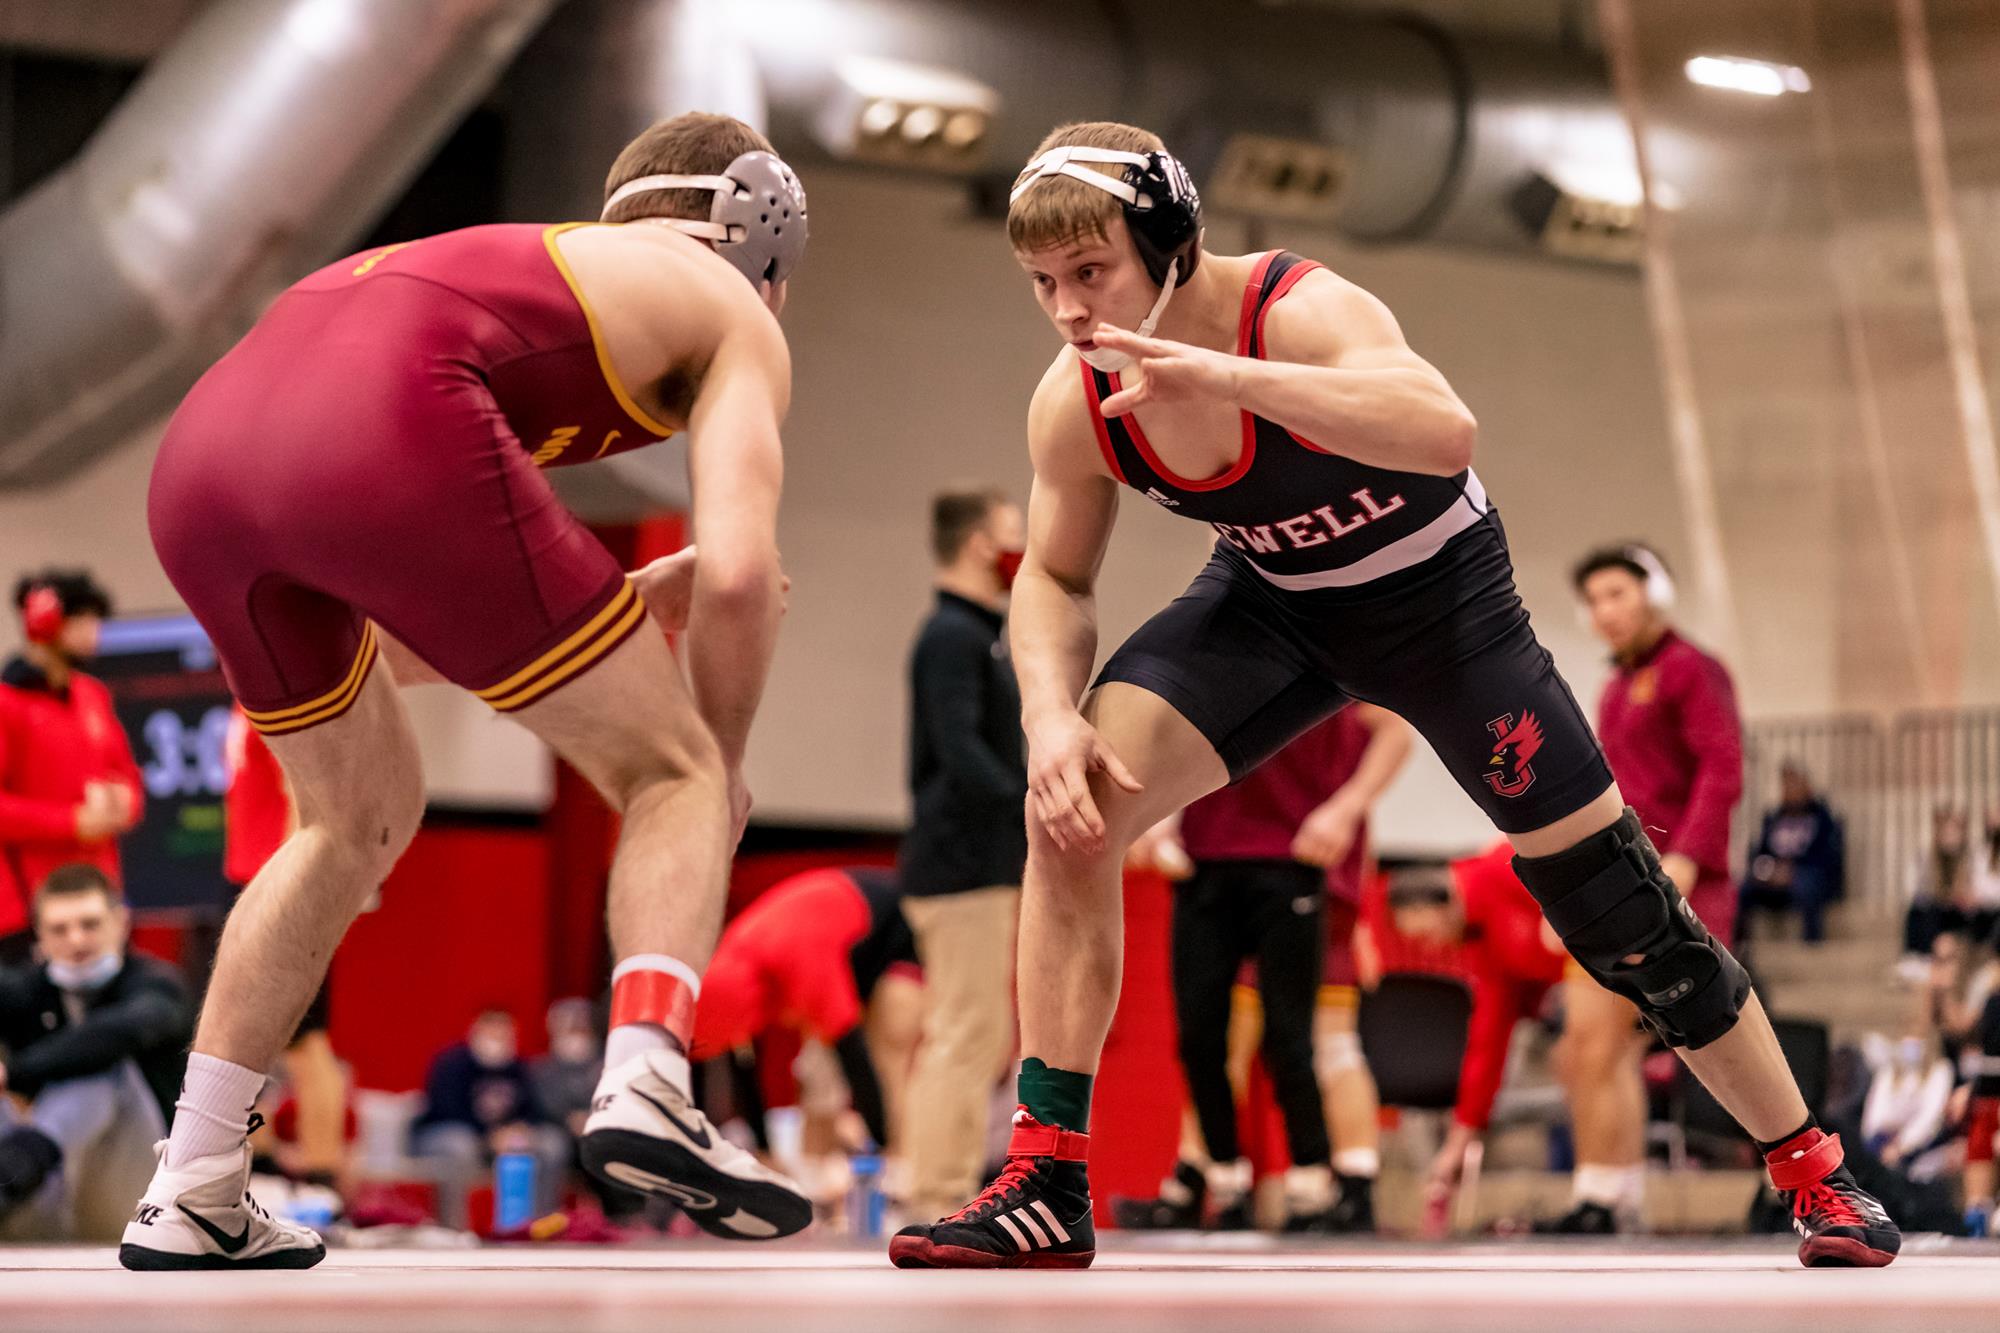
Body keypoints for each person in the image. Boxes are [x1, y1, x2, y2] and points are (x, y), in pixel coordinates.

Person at [888, 121, 1899, 1270]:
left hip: (1445, 618)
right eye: (1041, 284)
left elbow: (1443, 430)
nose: (1070, 311)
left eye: (1091, 273)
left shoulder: (1302, 312)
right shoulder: (1072, 400)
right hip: (1270, 608)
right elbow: (1057, 580)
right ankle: (1044, 1177)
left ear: (1170, 245)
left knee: (1618, 912)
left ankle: (1814, 1172)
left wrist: (1226, 376)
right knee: (1069, 811)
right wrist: (1045, 716)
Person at [122, 111, 811, 1270]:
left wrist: (622, 609)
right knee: (672, 771)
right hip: (396, 421)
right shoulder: (729, 306)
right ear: (763, 237)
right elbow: (742, 573)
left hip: (198, 463)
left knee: (354, 814)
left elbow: (402, 642)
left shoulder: (538, 263)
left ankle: (192, 1181)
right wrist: (720, 766)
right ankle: (648, 1077)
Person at [1116, 705, 1410, 1232]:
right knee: (1210, 1039)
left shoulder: (1331, 650)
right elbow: (1170, 740)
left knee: (1311, 1042)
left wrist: (1346, 812)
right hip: (1217, 862)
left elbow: (1395, 732)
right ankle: (1207, 1179)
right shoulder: (1210, 650)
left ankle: (1338, 1183)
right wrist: (1153, 822)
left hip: (1302, 866)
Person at [1546, 543, 1743, 1232]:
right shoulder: (1612, 686)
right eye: (1594, 599)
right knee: (1580, 1048)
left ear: (1655, 594)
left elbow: (1722, 768)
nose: (1605, 610)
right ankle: (1606, 1193)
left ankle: (1604, 1197)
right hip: (1619, 881)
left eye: (1617, 593)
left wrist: (1686, 857)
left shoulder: (1691, 670)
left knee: (1606, 1041)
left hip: (1675, 882)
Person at [899, 487, 1029, 1221]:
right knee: (965, 1030)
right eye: (1013, 531)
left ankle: (943, 1184)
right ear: (981, 542)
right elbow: (960, 752)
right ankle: (938, 1190)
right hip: (959, 863)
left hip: (978, 860)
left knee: (978, 1029)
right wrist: (1035, 799)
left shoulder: (977, 631)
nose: (1021, 547)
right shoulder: (952, 634)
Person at [0, 865, 193, 1239]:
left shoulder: (157, 985)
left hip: (141, 1196)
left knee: (102, 1065)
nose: (76, 940)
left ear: (121, 922)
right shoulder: (27, 989)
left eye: (89, 924)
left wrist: (15, 1071)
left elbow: (123, 1031)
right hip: (39, 1194)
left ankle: (19, 1162)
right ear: (39, 934)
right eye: (59, 929)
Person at [691, 866, 919, 1157]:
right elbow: (744, 1065)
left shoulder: (799, 963)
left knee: (889, 1053)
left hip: (897, 931)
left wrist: (880, 1145)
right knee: (816, 1075)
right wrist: (765, 1151)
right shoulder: (729, 978)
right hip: (838, 938)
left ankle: (898, 1167)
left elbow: (855, 1056)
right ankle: (818, 1175)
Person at [221, 707, 350, 1201]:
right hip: (246, 877)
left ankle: (323, 1184)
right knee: (253, 1036)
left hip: (277, 881)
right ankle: (268, 1171)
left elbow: (305, 794)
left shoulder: (273, 697)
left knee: (306, 1040)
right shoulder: (242, 700)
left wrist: (291, 886)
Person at [1407, 847, 1572, 1207]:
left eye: (1424, 935)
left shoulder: (1503, 867)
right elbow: (1488, 1042)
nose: (1432, 947)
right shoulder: (1482, 940)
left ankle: (1609, 1193)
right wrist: (1456, 1147)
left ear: (1428, 908)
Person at [1, 570, 143, 966]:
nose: (94, 631)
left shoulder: (92, 695)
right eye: (83, 619)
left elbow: (129, 777)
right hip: (32, 907)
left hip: (101, 896)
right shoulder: (7, 703)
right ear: (45, 620)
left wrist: (125, 802)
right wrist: (72, 821)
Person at [411, 1010, 571, 1229]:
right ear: (475, 1032)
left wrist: (521, 1130)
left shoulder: (519, 1068)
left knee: (552, 1142)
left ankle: (539, 1224)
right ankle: (456, 1227)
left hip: (504, 1140)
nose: (497, 1040)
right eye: (492, 1033)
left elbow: (534, 1111)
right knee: (460, 1145)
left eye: (503, 1035)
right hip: (447, 1137)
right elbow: (447, 1110)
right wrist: (489, 1136)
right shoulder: (452, 1064)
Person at [1739, 762, 1845, 945]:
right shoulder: (1773, 818)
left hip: (1806, 875)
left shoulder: (1822, 819)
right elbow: (1760, 853)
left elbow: (1827, 858)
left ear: (1807, 786)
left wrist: (1793, 870)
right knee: (1742, 890)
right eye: (1785, 785)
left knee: (1808, 885)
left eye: (1795, 783)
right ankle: (1741, 949)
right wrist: (1769, 870)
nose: (1790, 790)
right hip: (1773, 876)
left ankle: (1812, 944)